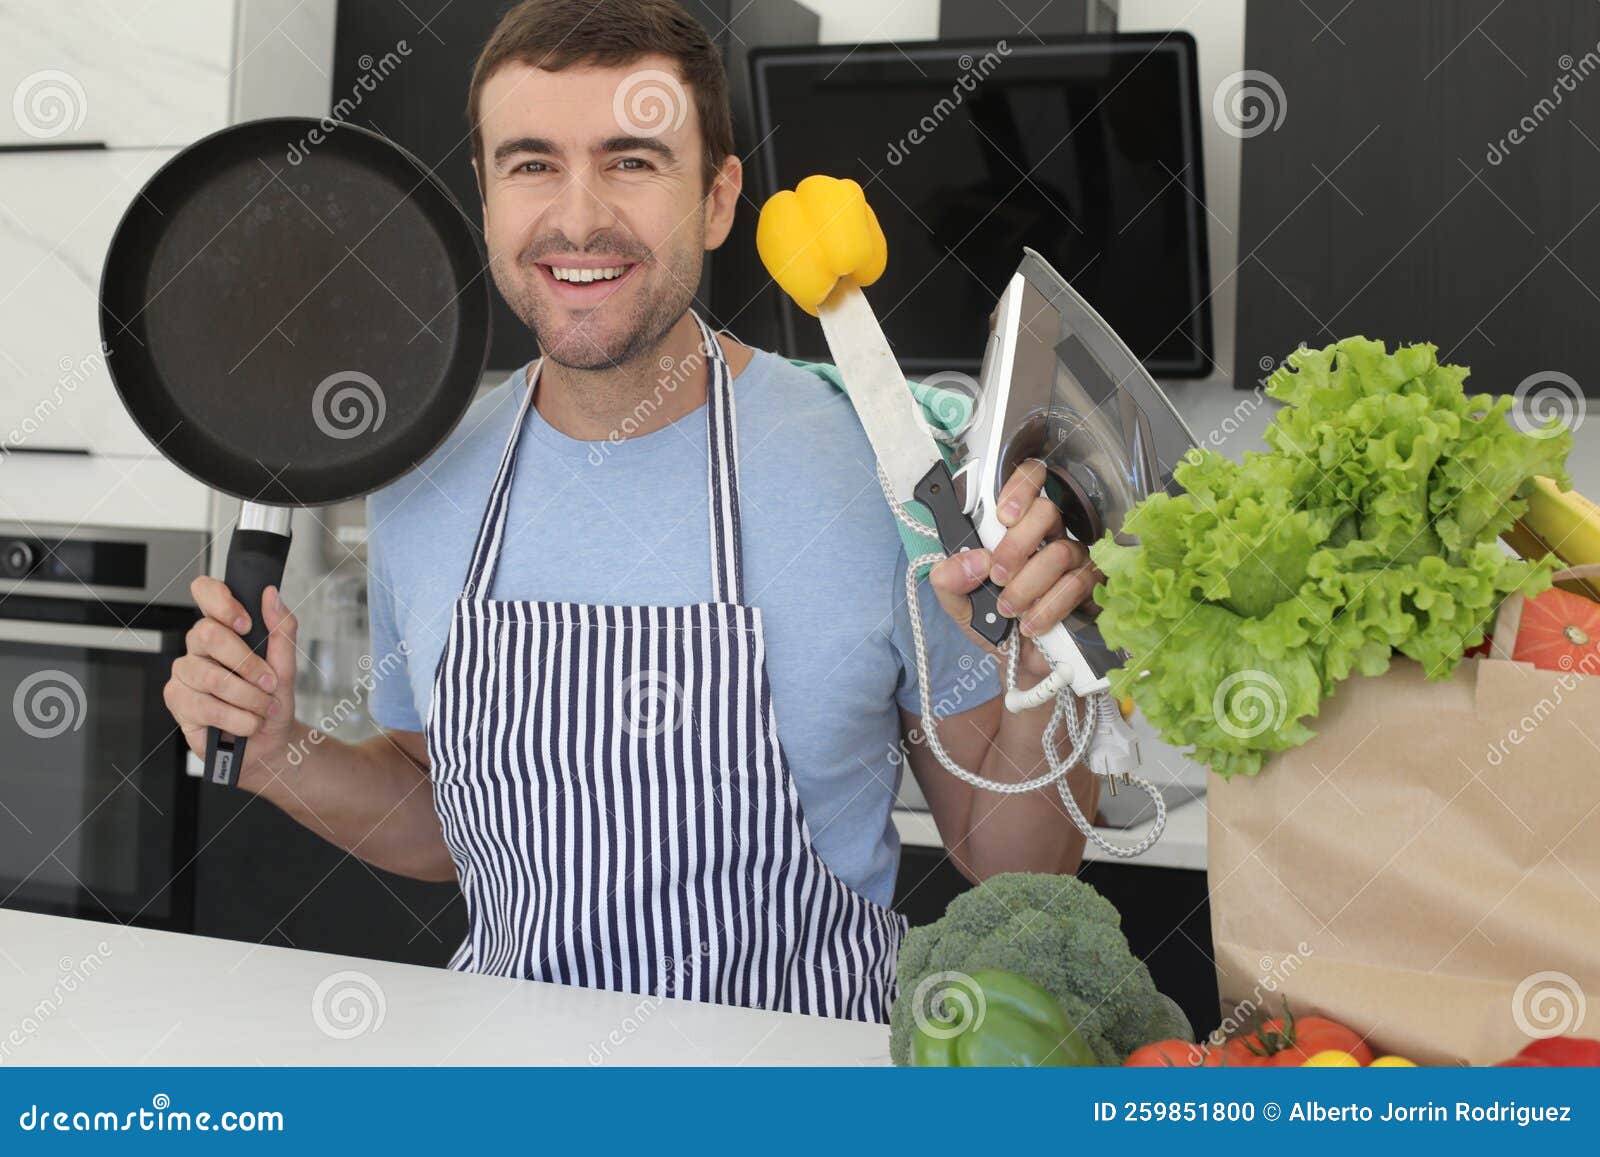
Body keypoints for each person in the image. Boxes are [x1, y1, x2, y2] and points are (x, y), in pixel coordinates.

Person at [164, 0, 1101, 1023]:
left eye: (632, 161)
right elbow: (446, 819)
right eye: (531, 163)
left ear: (716, 197)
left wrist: (1040, 661)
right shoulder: (425, 475)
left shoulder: (885, 469)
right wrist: (275, 751)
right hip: (508, 1075)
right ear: (483, 192)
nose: (577, 218)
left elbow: (1009, 856)